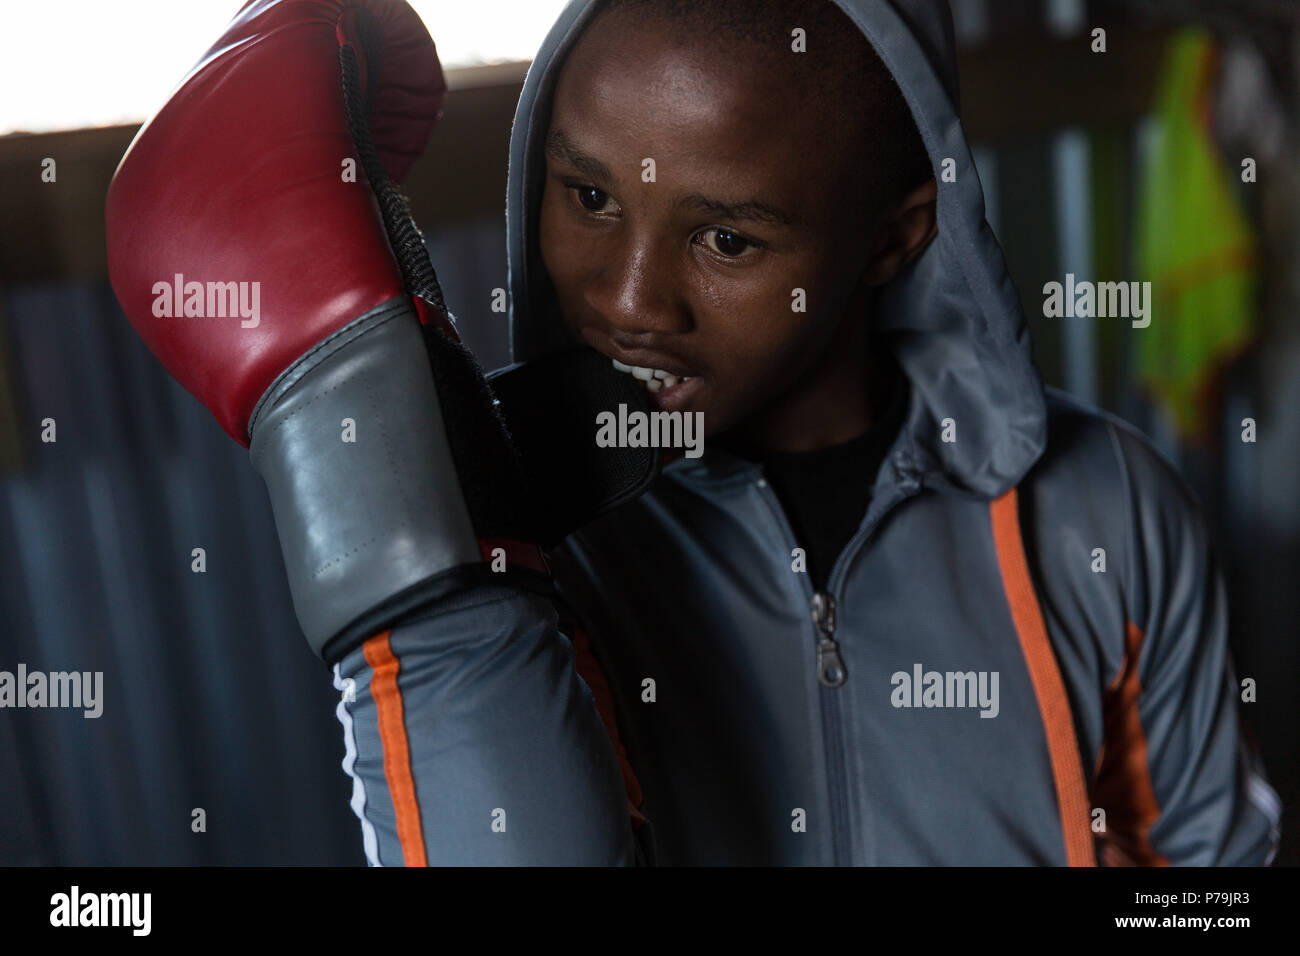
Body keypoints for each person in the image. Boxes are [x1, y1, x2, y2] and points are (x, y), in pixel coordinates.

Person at [108, 0, 1281, 865]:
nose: (626, 300)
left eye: (725, 240)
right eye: (589, 198)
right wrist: (415, 552)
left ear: (889, 238)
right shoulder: (508, 538)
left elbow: (1211, 869)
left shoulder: (1099, 510)